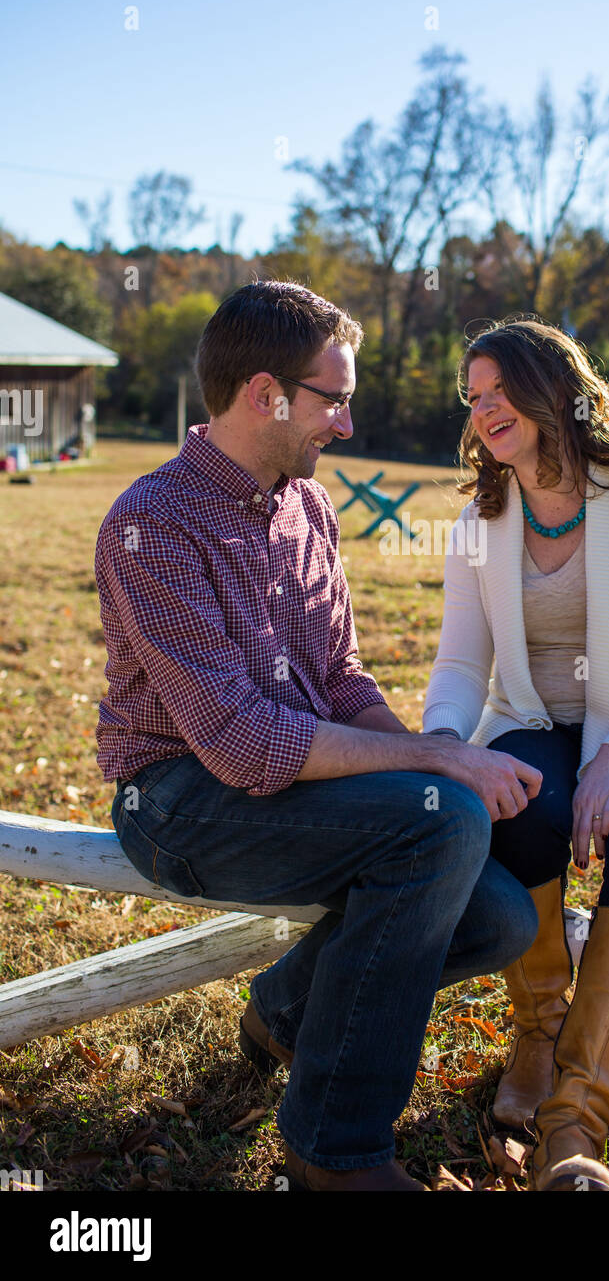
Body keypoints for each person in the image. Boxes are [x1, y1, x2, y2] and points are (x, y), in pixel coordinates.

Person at [94, 281, 542, 1192]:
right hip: (178, 800)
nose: (344, 422)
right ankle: (332, 1150)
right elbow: (243, 745)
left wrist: (436, 765)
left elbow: (337, 681)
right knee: (439, 823)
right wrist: (437, 762)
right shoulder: (152, 524)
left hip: (281, 780)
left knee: (498, 916)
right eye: (332, 399)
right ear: (265, 394)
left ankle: (285, 1013)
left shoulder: (308, 511)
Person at [422, 316, 609, 1192]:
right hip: (530, 715)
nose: (485, 411)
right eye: (473, 399)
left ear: (555, 388)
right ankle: (540, 1034)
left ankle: (577, 1120)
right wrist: (443, 747)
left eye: (500, 390)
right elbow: (461, 661)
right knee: (520, 805)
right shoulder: (482, 517)